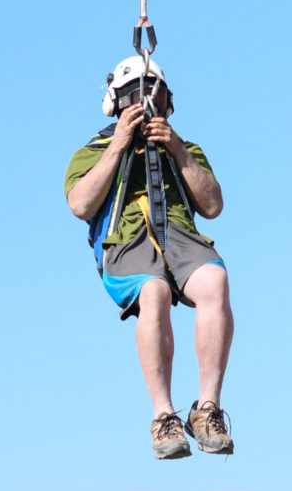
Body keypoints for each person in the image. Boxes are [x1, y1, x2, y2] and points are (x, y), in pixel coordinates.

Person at [64, 57, 235, 461]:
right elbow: (80, 204)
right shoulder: (92, 150)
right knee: (154, 293)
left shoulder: (185, 149)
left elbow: (212, 206)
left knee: (215, 282)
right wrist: (120, 145)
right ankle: (163, 417)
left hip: (179, 237)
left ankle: (207, 409)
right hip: (127, 243)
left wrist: (175, 148)